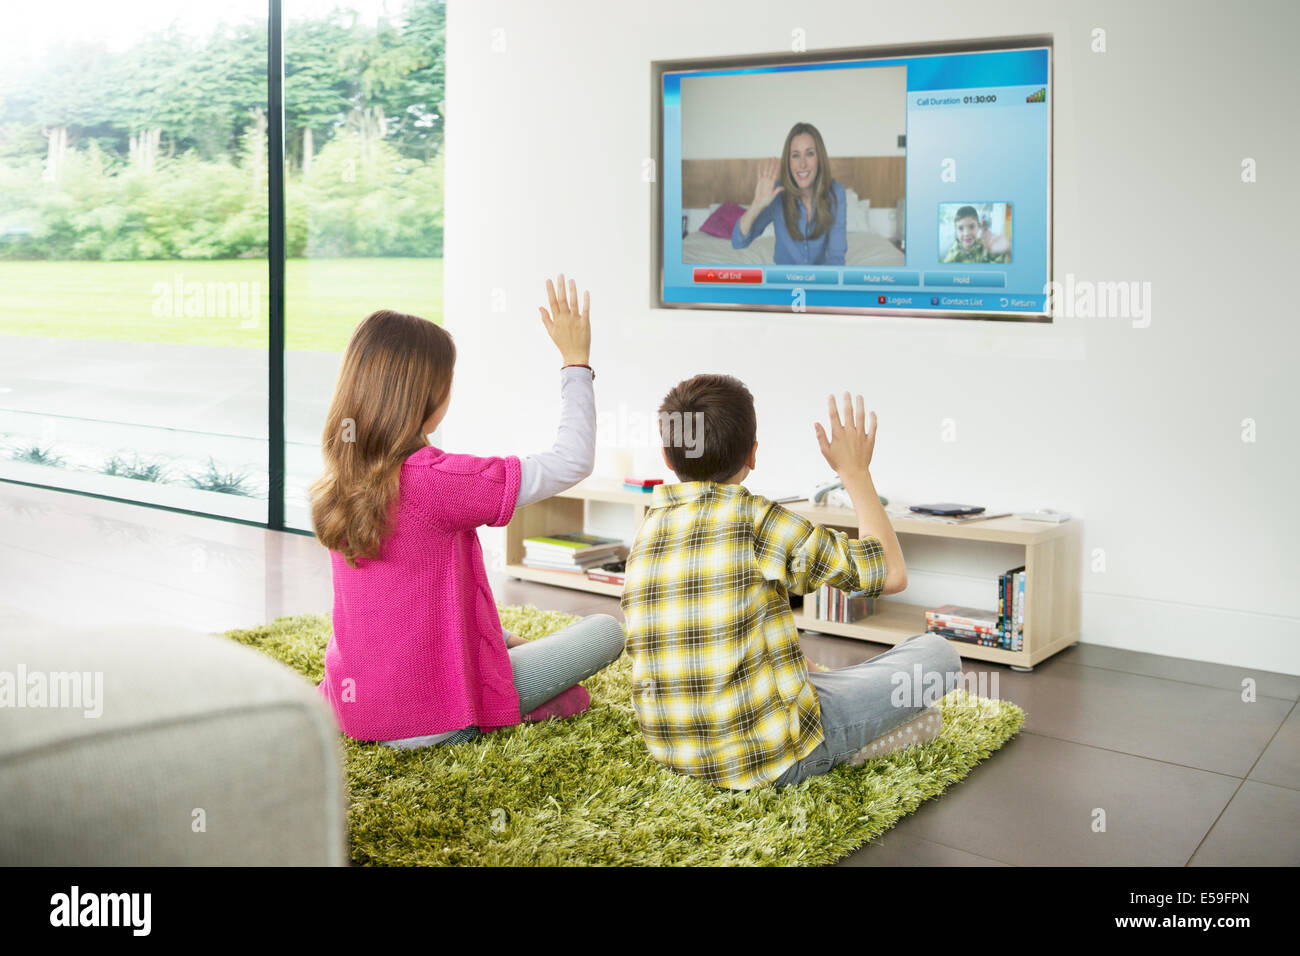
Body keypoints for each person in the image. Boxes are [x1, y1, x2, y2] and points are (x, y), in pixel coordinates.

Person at [310, 275, 624, 749]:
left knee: (485, 637)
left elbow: (411, 600)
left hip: (354, 709)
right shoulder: (440, 481)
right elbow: (571, 462)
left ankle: (522, 678)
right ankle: (525, 703)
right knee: (606, 632)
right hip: (435, 721)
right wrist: (576, 363)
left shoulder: (339, 474)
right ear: (429, 398)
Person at [620, 375, 963, 789]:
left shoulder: (649, 526)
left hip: (674, 754)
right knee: (936, 654)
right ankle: (858, 746)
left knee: (815, 671)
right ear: (753, 454)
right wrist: (854, 472)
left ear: (667, 456)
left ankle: (862, 711)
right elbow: (891, 573)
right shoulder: (760, 521)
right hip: (770, 760)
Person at [732, 122, 847, 266]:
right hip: (785, 283)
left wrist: (820, 286)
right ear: (788, 161)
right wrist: (756, 205)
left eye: (809, 154)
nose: (802, 164)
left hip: (821, 283)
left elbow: (836, 257)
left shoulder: (836, 192)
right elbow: (738, 242)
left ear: (820, 159)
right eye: (795, 155)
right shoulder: (776, 193)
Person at [941, 205, 1010, 263]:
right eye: (961, 228)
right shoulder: (951, 259)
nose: (966, 233)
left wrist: (1008, 248)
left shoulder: (985, 246)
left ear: (978, 227)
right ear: (956, 230)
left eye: (971, 226)